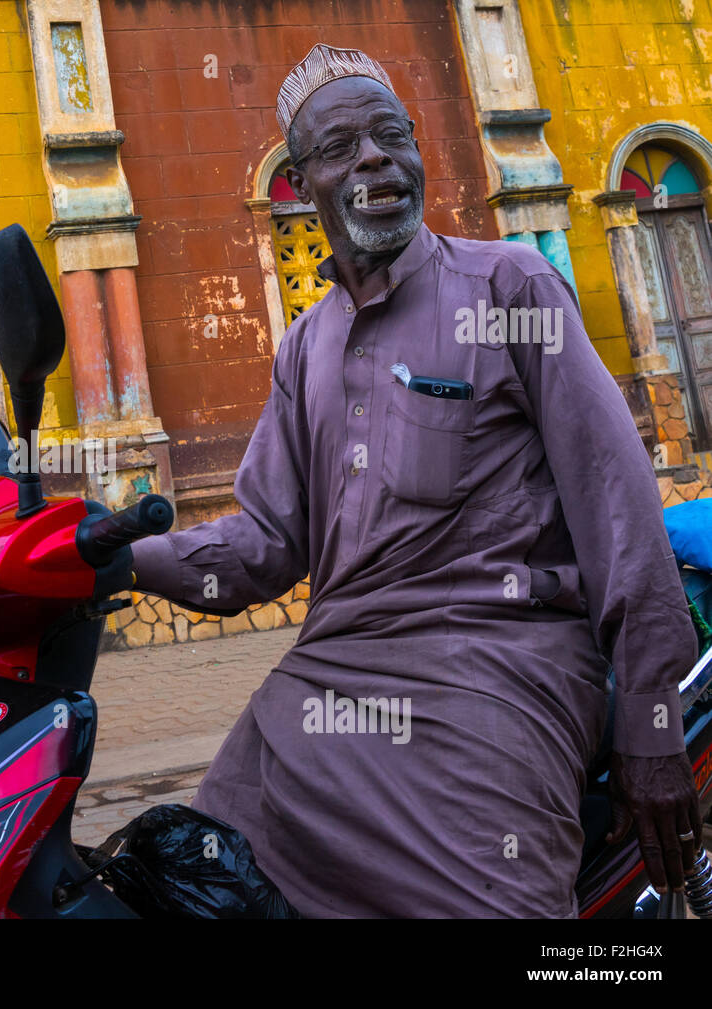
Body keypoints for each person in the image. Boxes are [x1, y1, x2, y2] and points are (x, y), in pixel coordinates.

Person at [130, 44, 703, 916]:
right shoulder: (304, 350)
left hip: (495, 678)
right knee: (198, 881)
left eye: (391, 135)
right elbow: (261, 545)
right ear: (304, 182)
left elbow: (618, 507)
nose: (373, 158)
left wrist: (651, 720)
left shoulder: (511, 285)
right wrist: (113, 559)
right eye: (341, 147)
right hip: (325, 683)